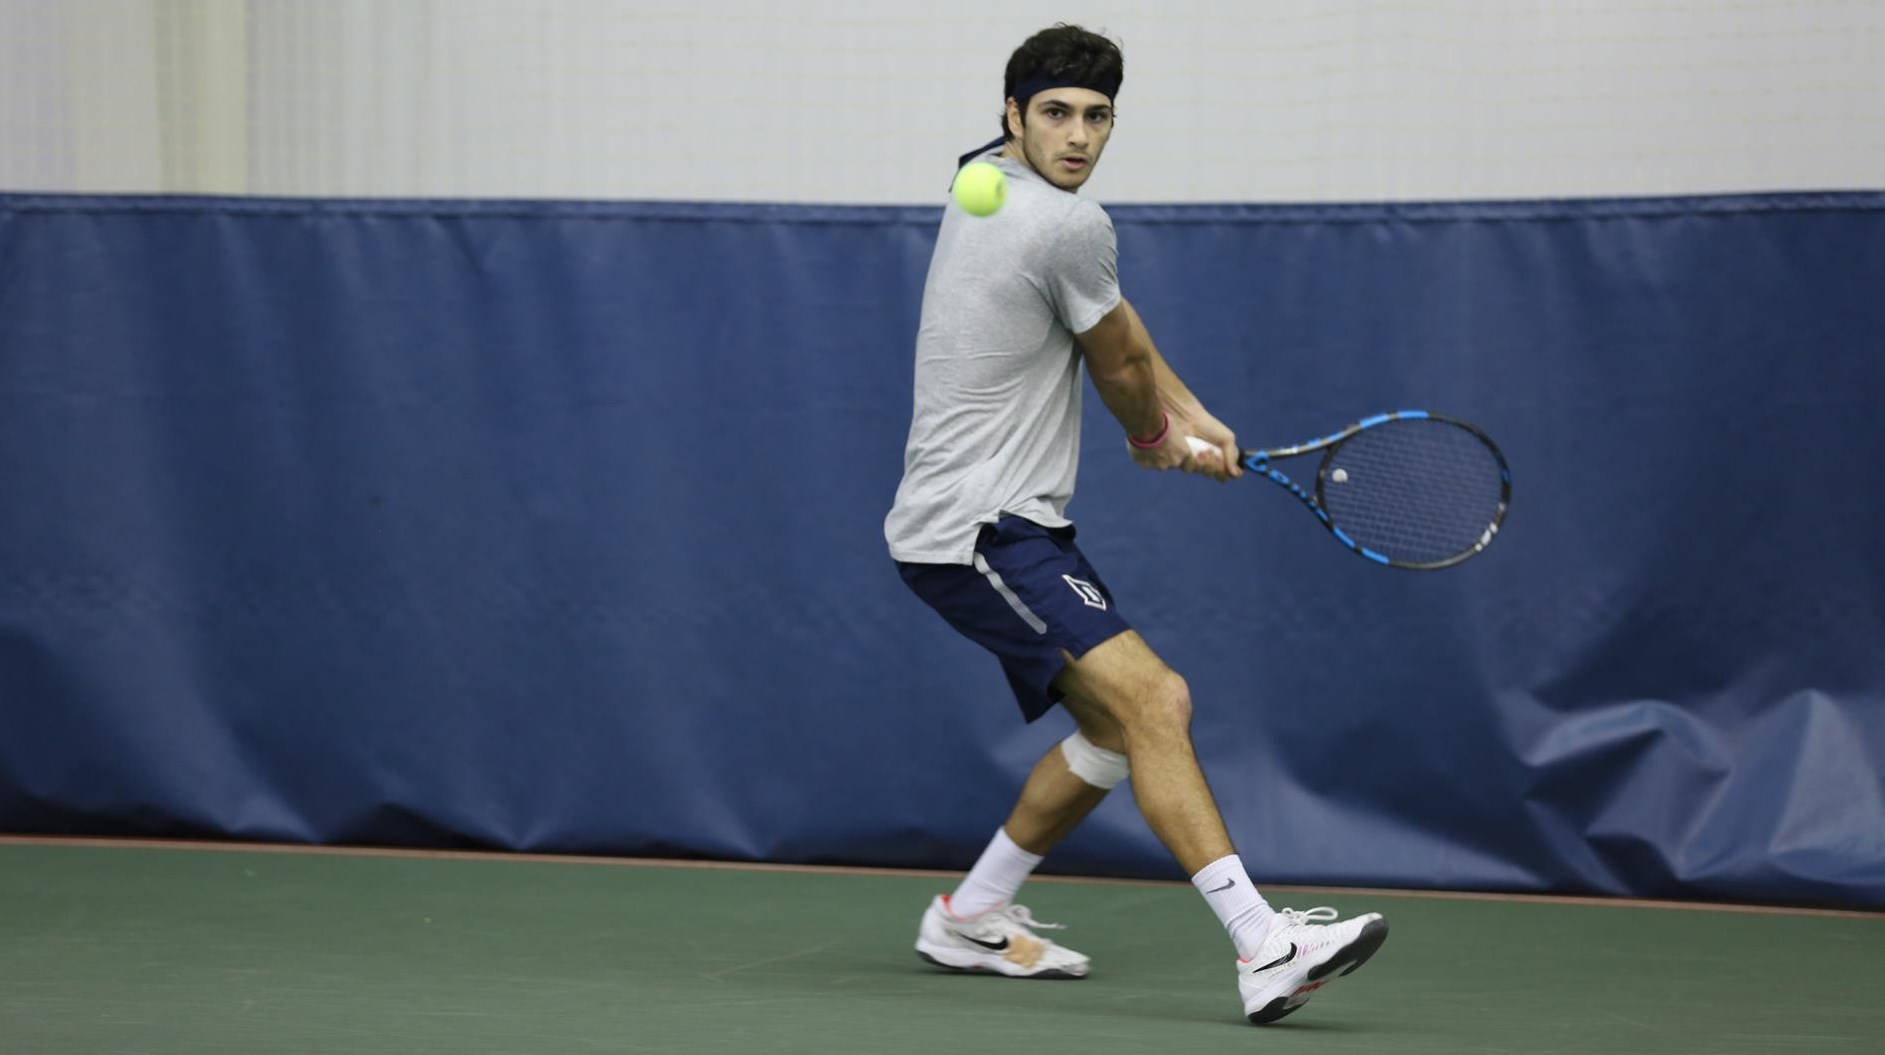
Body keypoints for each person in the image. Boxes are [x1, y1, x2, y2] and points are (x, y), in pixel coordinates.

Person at [883, 24, 1389, 1024]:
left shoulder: (984, 176)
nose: (1077, 136)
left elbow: (1112, 322)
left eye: (1097, 116)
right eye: (1054, 113)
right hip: (975, 528)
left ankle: (969, 913)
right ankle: (1265, 945)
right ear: (1013, 114)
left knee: (1116, 732)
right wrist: (1156, 437)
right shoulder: (1066, 222)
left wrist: (1192, 413)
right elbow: (1115, 365)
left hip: (1006, 522)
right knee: (1156, 699)